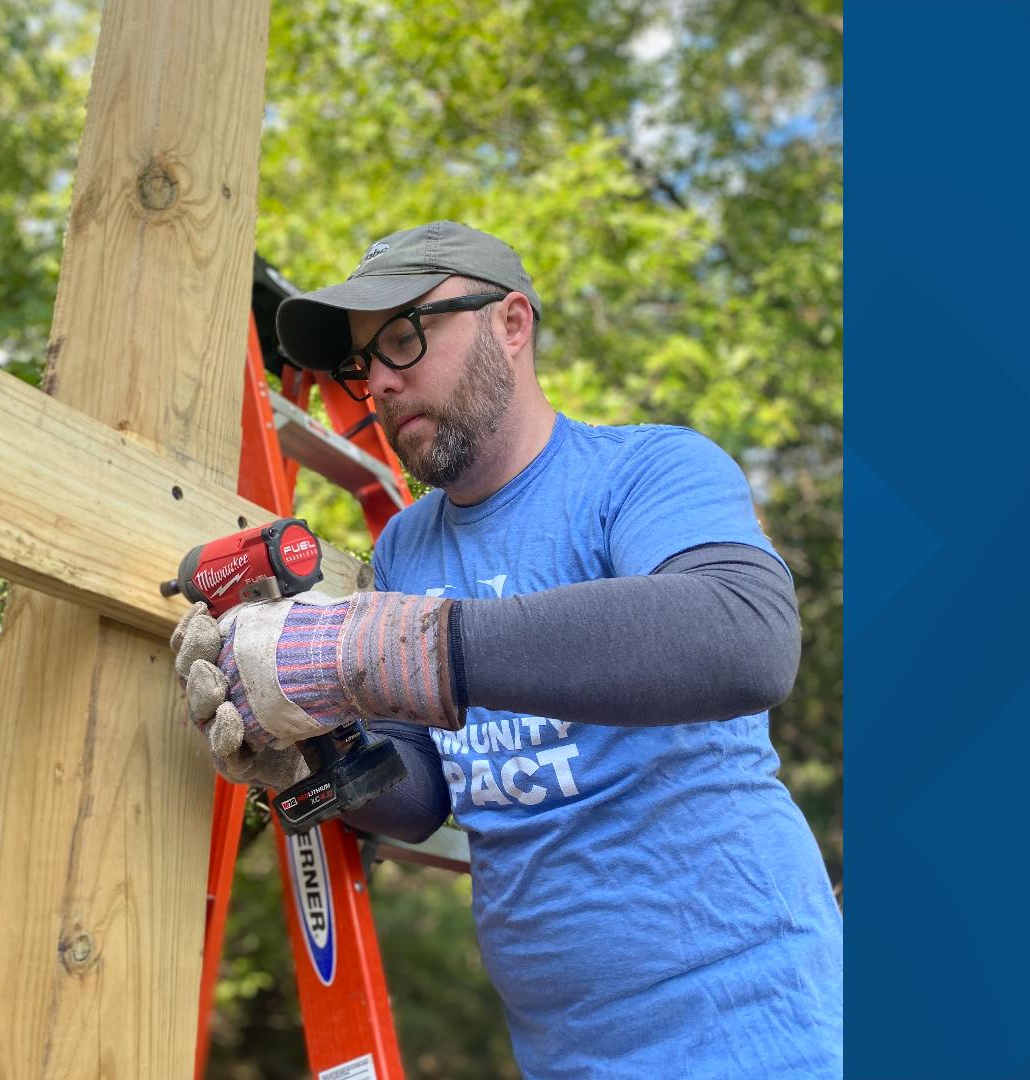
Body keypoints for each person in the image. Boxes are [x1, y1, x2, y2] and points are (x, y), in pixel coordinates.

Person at [171, 221, 842, 1078]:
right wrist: (311, 744)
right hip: (565, 1050)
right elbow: (419, 791)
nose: (377, 380)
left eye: (404, 337)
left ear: (511, 323)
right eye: (360, 362)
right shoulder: (408, 551)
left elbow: (745, 636)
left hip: (758, 1024)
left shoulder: (644, 472)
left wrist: (375, 647)